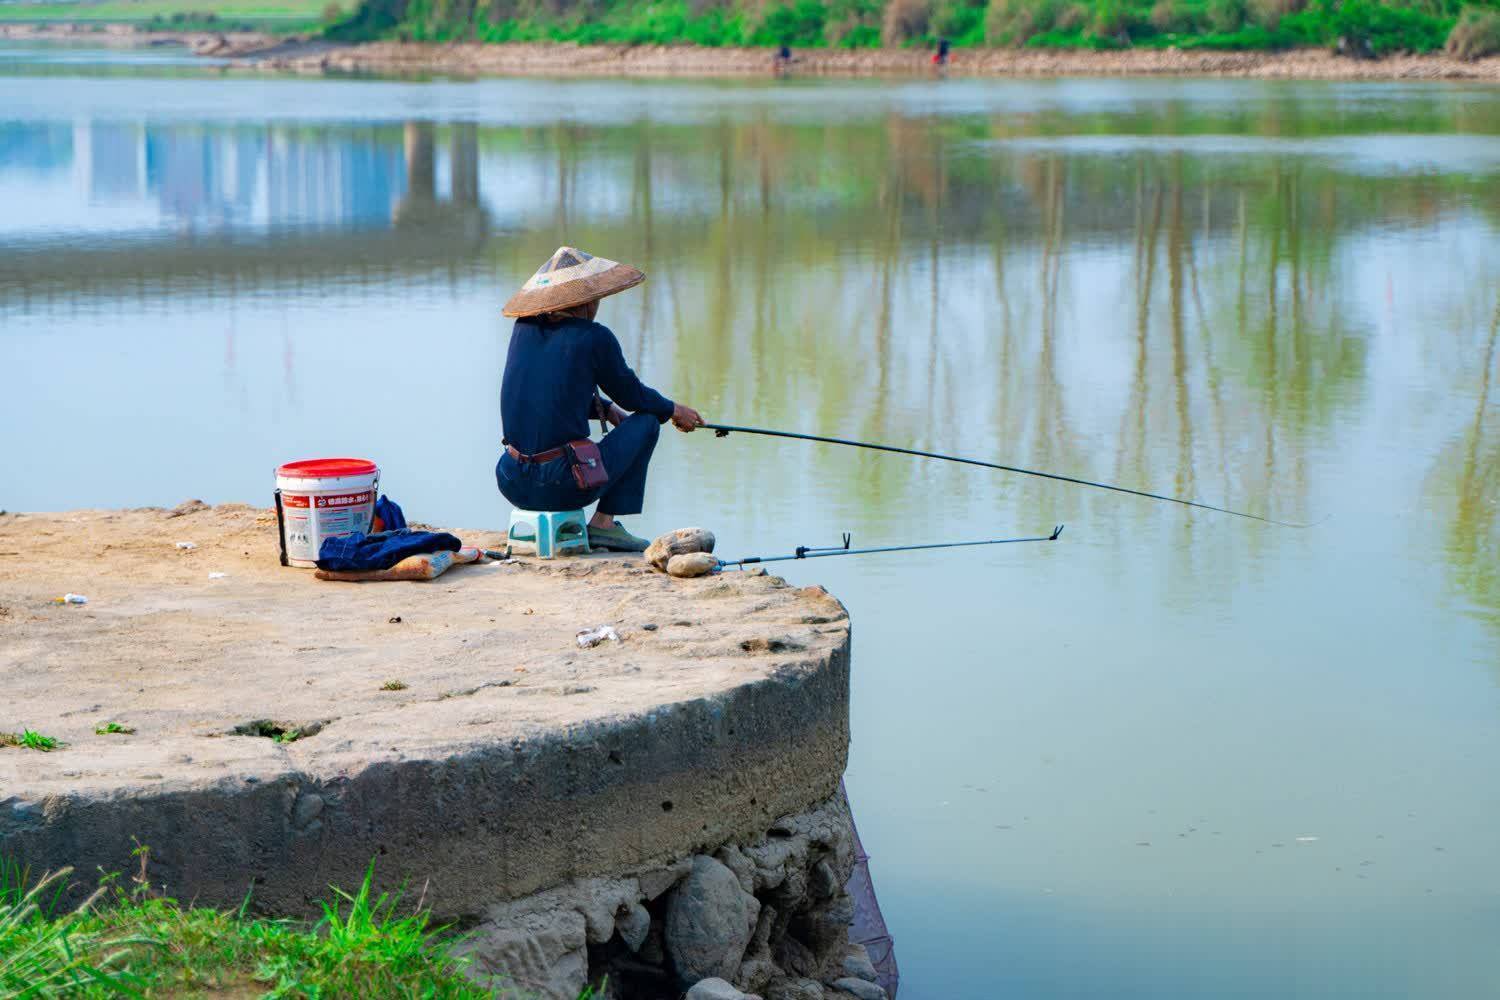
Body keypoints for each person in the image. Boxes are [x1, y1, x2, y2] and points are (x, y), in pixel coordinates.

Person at [495, 246, 705, 553]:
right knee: (647, 422)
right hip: (561, 485)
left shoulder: (523, 329)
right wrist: (674, 410)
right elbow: (634, 396)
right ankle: (603, 525)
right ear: (585, 301)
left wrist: (606, 409)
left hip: (511, 479)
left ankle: (596, 524)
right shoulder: (594, 337)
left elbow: (549, 395)